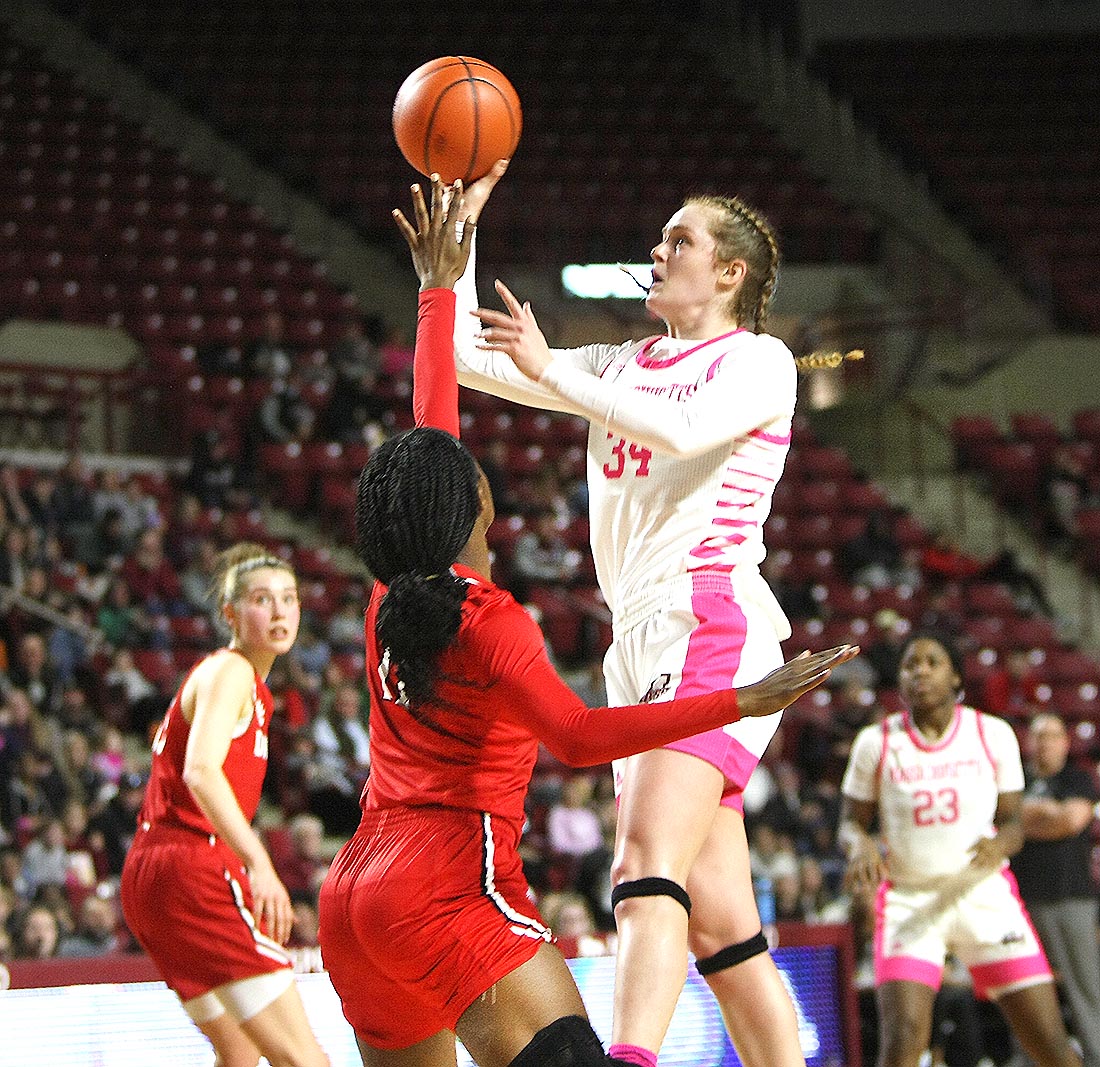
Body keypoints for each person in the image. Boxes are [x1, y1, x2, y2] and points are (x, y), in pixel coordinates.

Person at [316, 176, 857, 1067]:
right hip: (637, 635)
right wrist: (462, 240)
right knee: (720, 919)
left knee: (644, 863)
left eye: (677, 241)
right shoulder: (626, 363)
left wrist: (554, 369)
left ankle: (630, 1059)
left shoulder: (757, 359)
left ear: (728, 271)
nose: (656, 250)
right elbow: (458, 365)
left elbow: (682, 434)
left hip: (706, 616)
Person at [120, 542, 329, 1067]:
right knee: (306, 1061)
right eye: (263, 599)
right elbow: (200, 771)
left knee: (238, 1053)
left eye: (289, 598)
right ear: (230, 613)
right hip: (189, 866)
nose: (280, 611)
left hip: (153, 872)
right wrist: (260, 862)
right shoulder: (231, 671)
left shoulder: (250, 687)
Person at [838, 630, 1081, 1067]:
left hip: (981, 893)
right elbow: (850, 825)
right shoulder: (876, 742)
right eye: (911, 665)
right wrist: (860, 846)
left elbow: (1012, 822)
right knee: (901, 1043)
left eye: (932, 662)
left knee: (1049, 1043)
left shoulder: (992, 733)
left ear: (955, 678)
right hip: (910, 899)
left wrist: (1000, 844)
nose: (920, 672)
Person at [1010, 714, 1100, 1067]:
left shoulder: (1077, 779)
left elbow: (1072, 820)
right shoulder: (1017, 780)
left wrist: (1029, 819)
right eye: (1039, 736)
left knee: (1085, 988)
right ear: (1029, 743)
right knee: (1025, 990)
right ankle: (1028, 1060)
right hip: (1023, 901)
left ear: (1065, 742)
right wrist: (1048, 815)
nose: (1045, 742)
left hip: (1072, 898)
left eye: (1053, 736)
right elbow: (1005, 824)